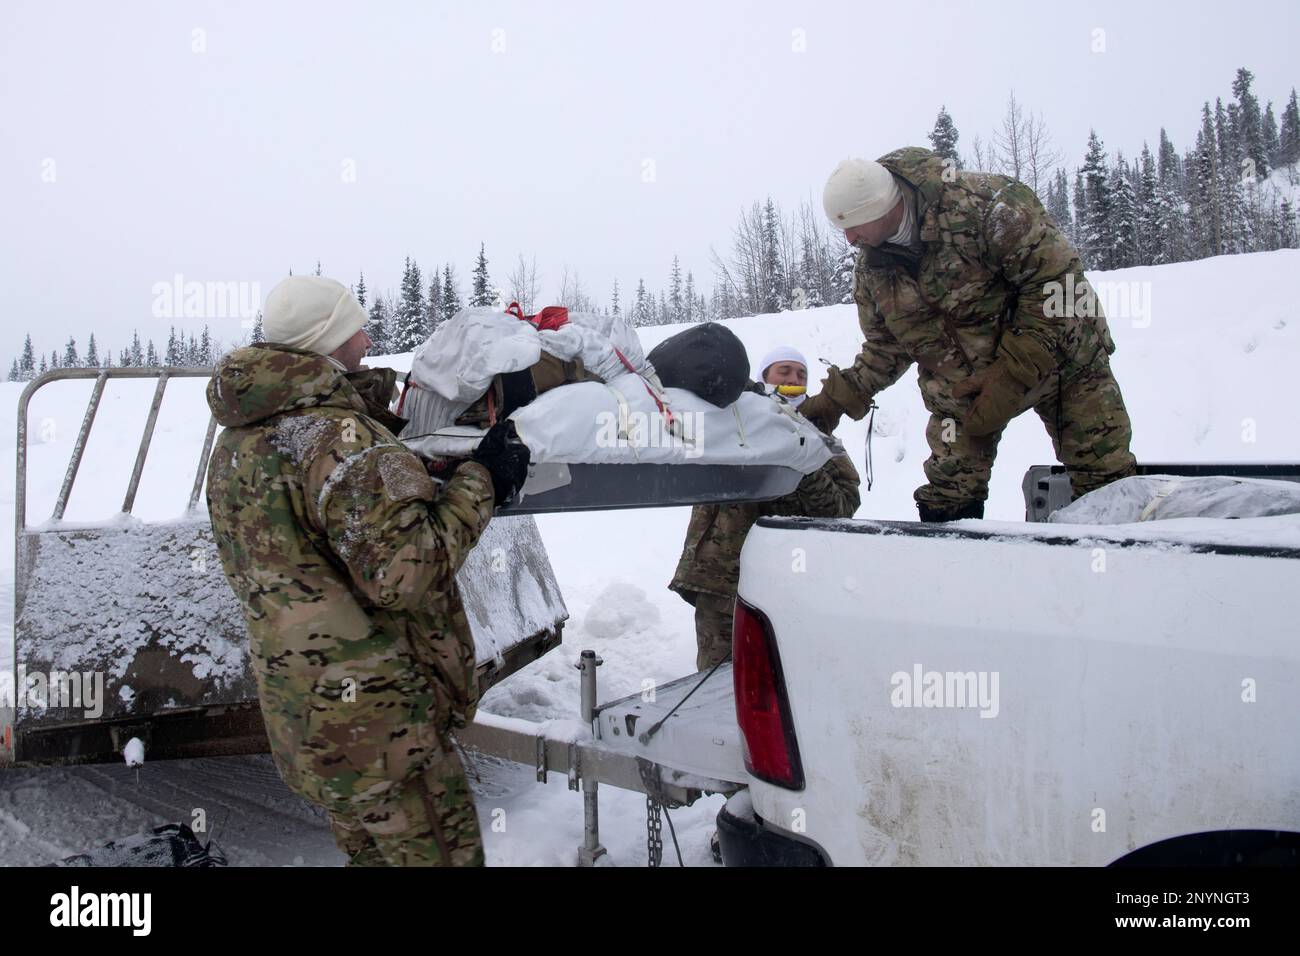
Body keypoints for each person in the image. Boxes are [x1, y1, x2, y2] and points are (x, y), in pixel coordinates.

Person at [205, 275, 529, 866]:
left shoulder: (238, 441)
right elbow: (407, 574)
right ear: (326, 338)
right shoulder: (341, 436)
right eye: (356, 325)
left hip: (308, 714)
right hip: (384, 726)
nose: (368, 335)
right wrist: (484, 480)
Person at [800, 148, 1137, 521]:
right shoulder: (873, 272)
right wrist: (835, 400)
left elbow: (1057, 286)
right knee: (947, 494)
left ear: (881, 207)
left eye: (854, 225)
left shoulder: (984, 206)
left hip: (1066, 363)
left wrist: (1011, 375)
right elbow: (886, 348)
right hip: (965, 392)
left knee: (1107, 483)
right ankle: (958, 571)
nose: (849, 239)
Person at [670, 346, 861, 671]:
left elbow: (841, 509)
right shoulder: (729, 421)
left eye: (801, 374)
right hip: (722, 583)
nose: (793, 380)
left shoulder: (821, 438)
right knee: (718, 685)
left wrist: (803, 458)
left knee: (783, 682)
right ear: (764, 378)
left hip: (793, 585)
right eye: (783, 371)